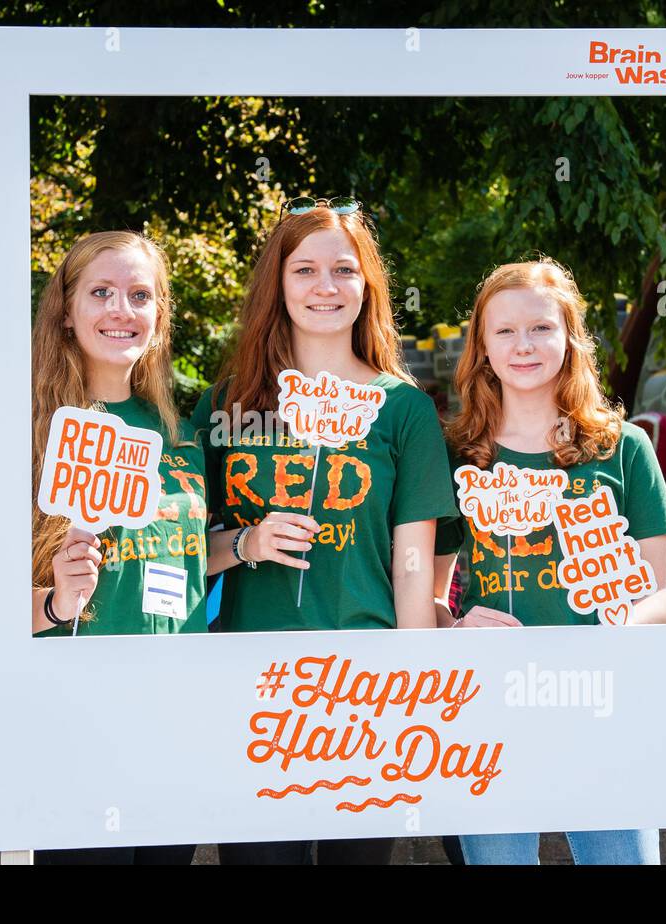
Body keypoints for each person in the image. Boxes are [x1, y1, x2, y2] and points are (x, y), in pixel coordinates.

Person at [192, 197, 457, 865]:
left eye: (343, 270)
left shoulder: (404, 410)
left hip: (369, 683)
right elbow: (180, 552)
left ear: (367, 285)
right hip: (250, 682)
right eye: (305, 270)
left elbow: (414, 564)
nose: (325, 287)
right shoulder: (225, 405)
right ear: (277, 285)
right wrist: (247, 543)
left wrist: (417, 684)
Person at [434, 257, 666, 865]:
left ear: (570, 338)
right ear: (482, 349)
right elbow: (431, 594)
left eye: (541, 328)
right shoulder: (453, 453)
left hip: (602, 708)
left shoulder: (622, 447)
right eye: (505, 332)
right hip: (485, 711)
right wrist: (453, 626)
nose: (524, 345)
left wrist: (623, 623)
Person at [30, 230, 233, 864]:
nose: (122, 309)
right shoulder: (32, 433)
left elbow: (185, 554)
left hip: (177, 705)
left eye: (139, 295)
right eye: (102, 293)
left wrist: (249, 542)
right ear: (67, 311)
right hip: (79, 715)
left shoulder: (181, 430)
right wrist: (59, 601)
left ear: (159, 313)